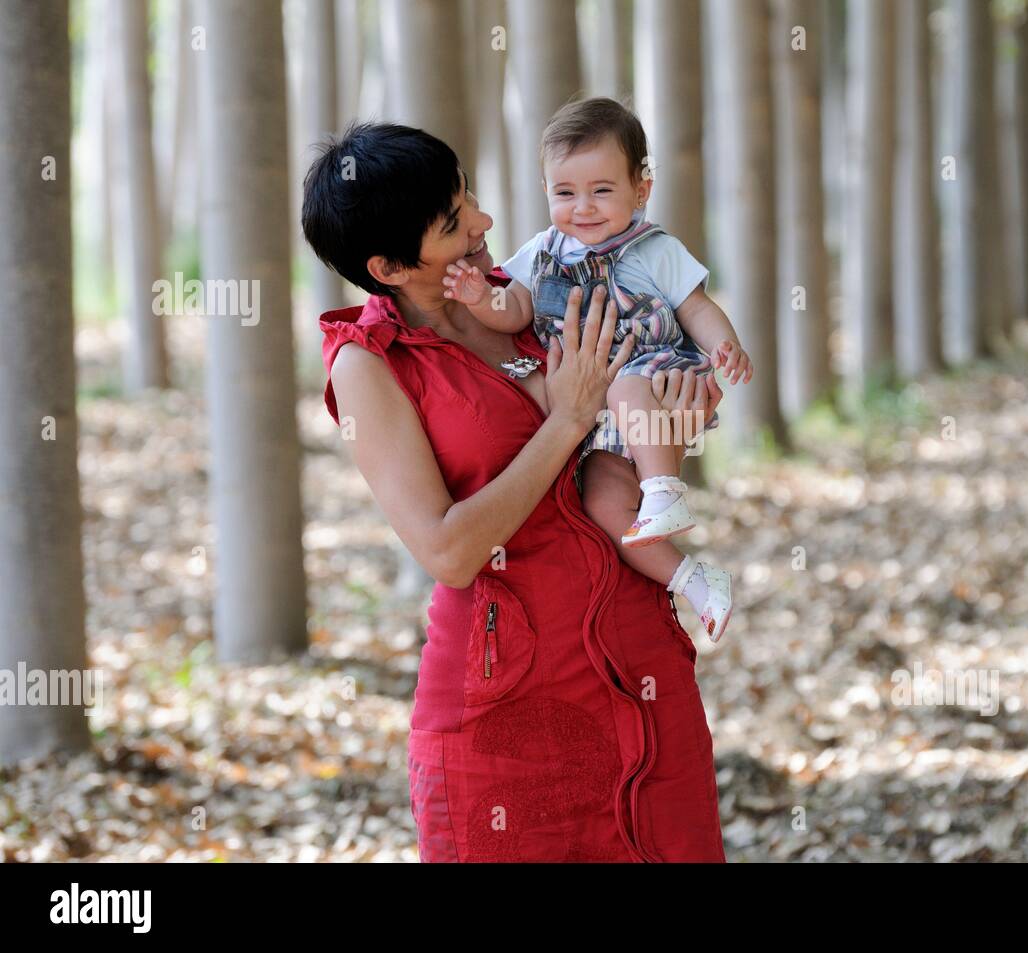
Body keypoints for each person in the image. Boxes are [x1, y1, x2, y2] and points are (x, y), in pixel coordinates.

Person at [301, 121, 726, 862]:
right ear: (391, 265)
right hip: (505, 722)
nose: (483, 222)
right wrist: (564, 418)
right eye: (452, 221)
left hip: (641, 678)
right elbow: (449, 549)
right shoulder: (367, 368)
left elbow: (642, 433)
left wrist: (684, 393)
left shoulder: (537, 291)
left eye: (468, 197)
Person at [443, 97, 749, 643]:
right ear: (546, 192)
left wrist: (725, 345)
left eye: (601, 191)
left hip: (650, 370)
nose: (582, 207)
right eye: (565, 193)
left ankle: (663, 487)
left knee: (629, 386)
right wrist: (476, 299)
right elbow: (514, 308)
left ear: (641, 191)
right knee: (603, 502)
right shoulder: (540, 254)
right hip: (600, 415)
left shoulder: (655, 249)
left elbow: (696, 306)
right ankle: (696, 580)